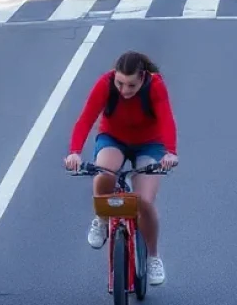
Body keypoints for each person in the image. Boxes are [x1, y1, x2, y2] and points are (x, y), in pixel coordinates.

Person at [65, 51, 178, 286]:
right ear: (113, 75)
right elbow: (85, 119)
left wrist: (171, 152)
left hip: (150, 143)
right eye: (120, 83)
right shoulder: (105, 84)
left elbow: (167, 119)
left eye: (131, 85)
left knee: (144, 201)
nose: (124, 91)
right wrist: (75, 151)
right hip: (113, 138)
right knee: (103, 175)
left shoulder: (155, 85)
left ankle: (153, 257)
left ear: (143, 78)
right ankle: (102, 219)